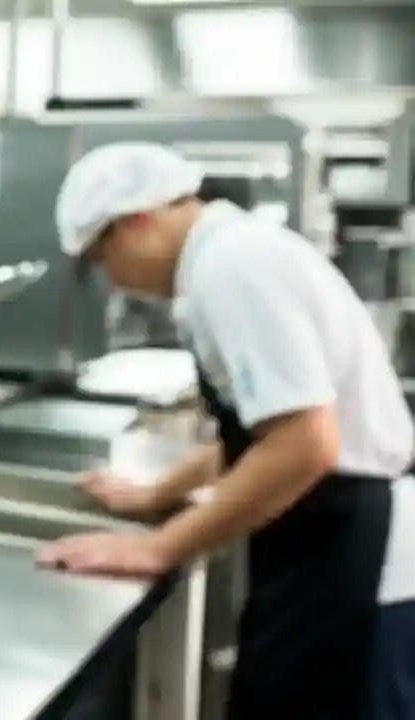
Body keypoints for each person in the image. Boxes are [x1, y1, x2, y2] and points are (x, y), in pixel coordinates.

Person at [36, 143, 415, 720]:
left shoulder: (233, 268)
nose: (112, 281)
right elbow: (263, 434)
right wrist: (157, 495)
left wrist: (158, 548)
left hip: (358, 560)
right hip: (324, 537)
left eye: (100, 258)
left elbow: (306, 445)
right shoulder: (229, 257)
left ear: (136, 221)